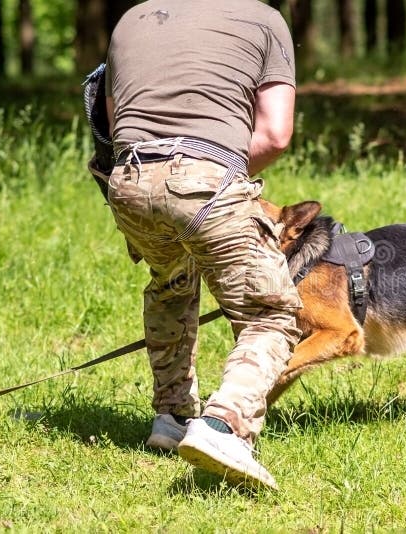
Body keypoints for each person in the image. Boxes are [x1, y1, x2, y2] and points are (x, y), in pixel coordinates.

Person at [103, 0, 301, 490]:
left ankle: (170, 420)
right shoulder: (264, 19)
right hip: (206, 179)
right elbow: (275, 134)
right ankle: (224, 426)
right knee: (271, 314)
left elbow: (113, 124)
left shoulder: (134, 17)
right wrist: (211, 175)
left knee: (171, 284)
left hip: (127, 181)